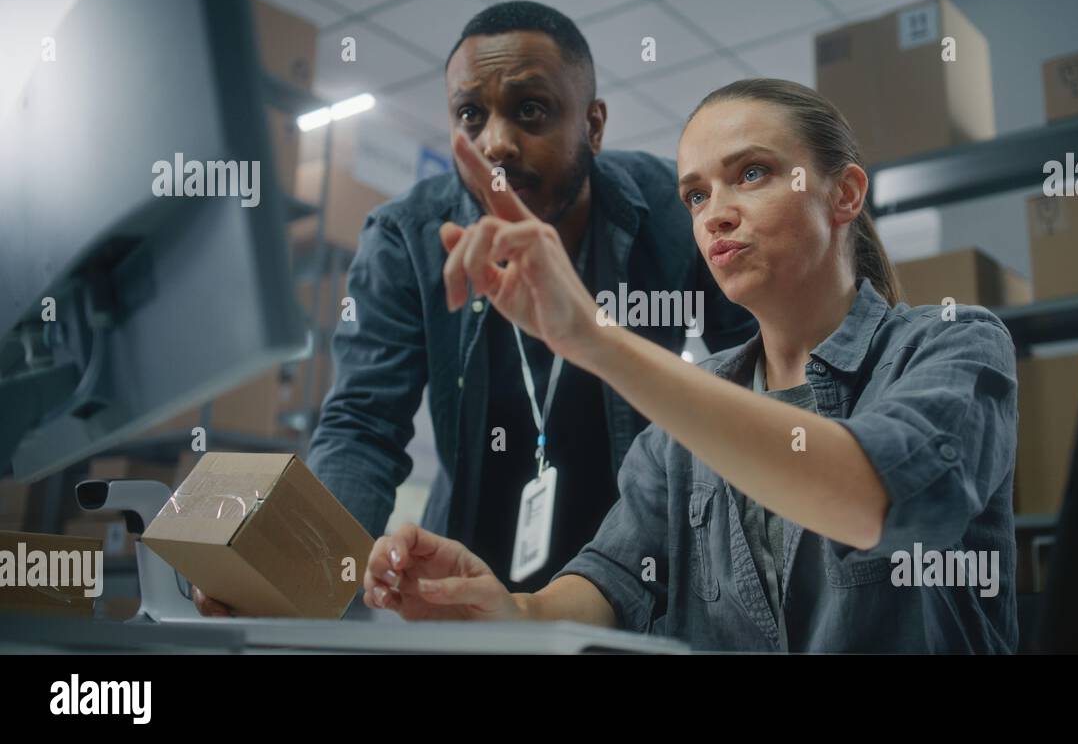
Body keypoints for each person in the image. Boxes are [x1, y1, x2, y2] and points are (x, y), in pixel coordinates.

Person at [361, 78, 1020, 653]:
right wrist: (506, 607)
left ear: (844, 193)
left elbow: (868, 498)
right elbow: (604, 589)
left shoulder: (952, 346)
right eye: (696, 196)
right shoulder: (680, 427)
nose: (716, 215)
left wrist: (596, 336)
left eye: (752, 173)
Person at [190, 1, 755, 616]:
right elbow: (362, 428)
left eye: (530, 110)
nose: (498, 143)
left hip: (629, 575)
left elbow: (751, 375)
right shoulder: (406, 239)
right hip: (467, 580)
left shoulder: (672, 213)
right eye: (470, 115)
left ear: (593, 126)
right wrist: (303, 573)